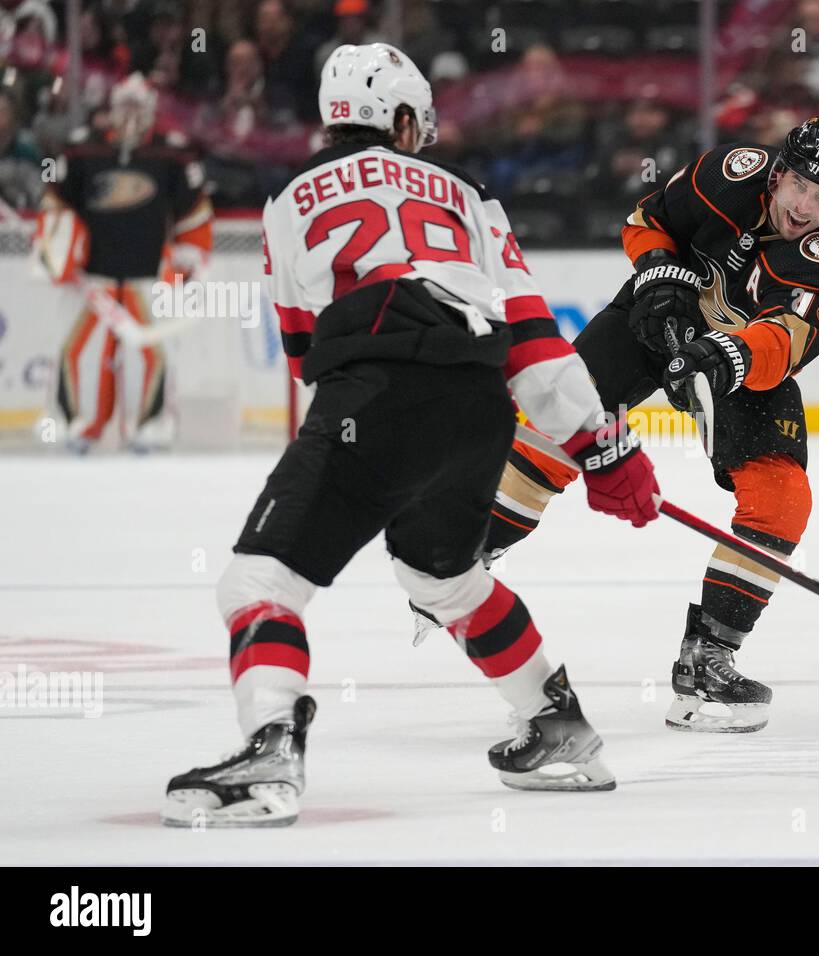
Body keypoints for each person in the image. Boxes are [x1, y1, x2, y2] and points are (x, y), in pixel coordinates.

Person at [162, 44, 659, 827]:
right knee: (445, 580)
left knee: (258, 585)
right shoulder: (470, 193)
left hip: (378, 390)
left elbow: (301, 352)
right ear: (400, 120)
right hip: (479, 403)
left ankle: (268, 752)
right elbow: (533, 341)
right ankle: (557, 727)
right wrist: (599, 444)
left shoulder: (288, 197)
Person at [486, 115, 819, 733]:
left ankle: (708, 657)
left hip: (737, 367)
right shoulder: (729, 174)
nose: (807, 207)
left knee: (782, 496)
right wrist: (661, 274)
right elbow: (645, 223)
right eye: (801, 186)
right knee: (560, 426)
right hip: (658, 319)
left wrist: (731, 355)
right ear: (779, 173)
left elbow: (787, 340)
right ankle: (470, 549)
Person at [35, 71, 212, 452]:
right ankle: (73, 426)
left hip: (148, 278)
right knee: (77, 353)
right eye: (123, 106)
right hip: (89, 279)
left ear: (151, 111)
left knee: (150, 355)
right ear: (110, 110)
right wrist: (54, 244)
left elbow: (194, 212)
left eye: (138, 106)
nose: (130, 114)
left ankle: (148, 427)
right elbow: (55, 202)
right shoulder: (80, 149)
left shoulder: (174, 153)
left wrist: (191, 253)